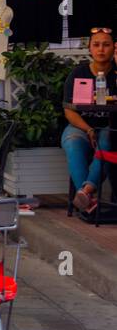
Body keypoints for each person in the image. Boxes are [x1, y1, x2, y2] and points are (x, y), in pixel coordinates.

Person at [62, 26, 116, 213]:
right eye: (97, 45)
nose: (101, 49)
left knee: (107, 143)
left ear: (114, 48)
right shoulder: (78, 73)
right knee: (72, 143)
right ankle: (88, 198)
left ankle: (85, 193)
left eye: (106, 45)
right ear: (90, 49)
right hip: (80, 125)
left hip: (110, 127)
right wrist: (88, 129)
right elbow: (69, 111)